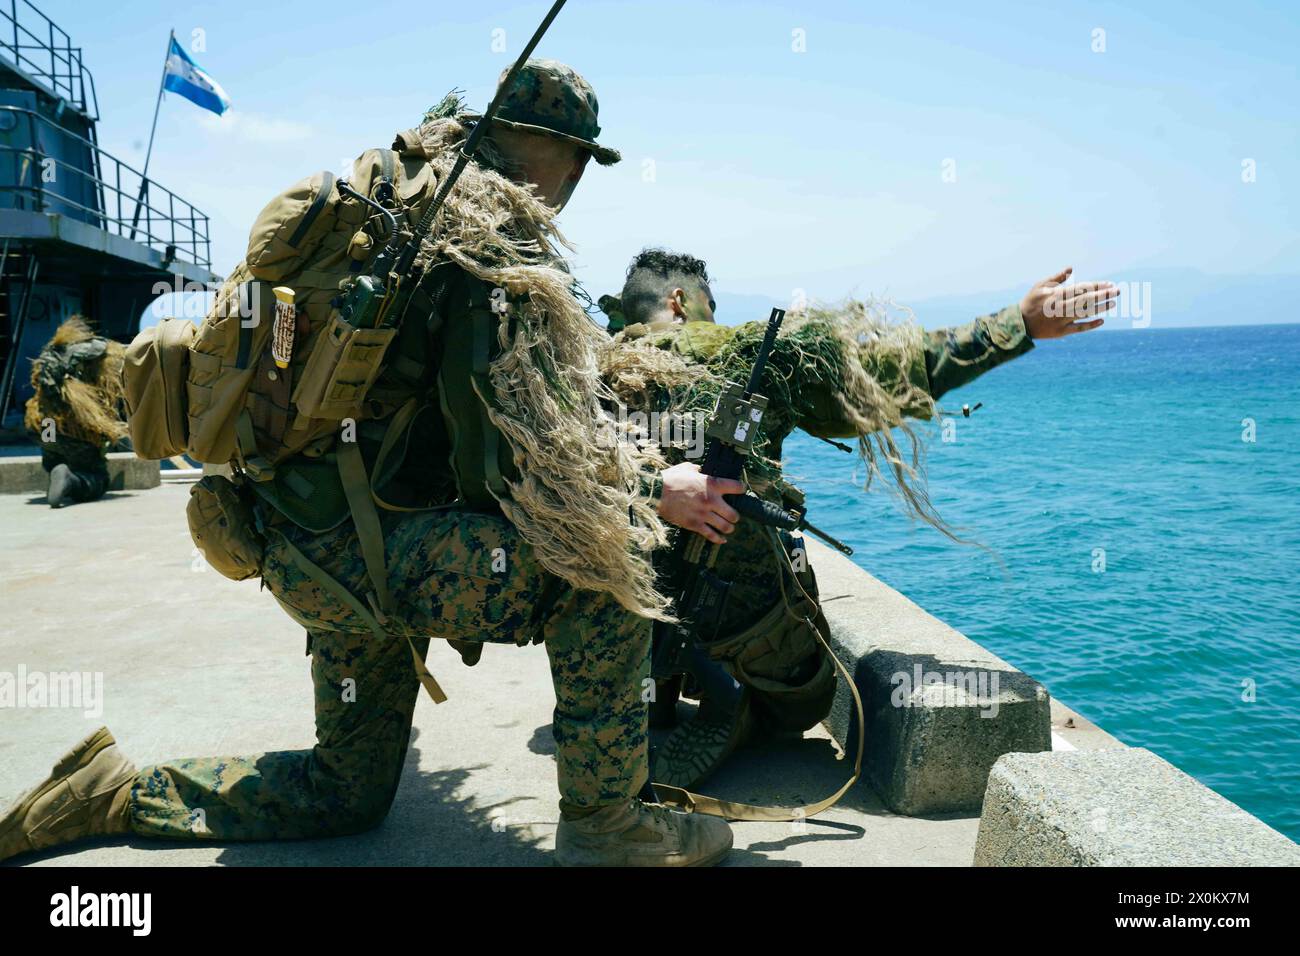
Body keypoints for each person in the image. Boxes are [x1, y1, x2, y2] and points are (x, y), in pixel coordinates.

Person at [1, 61, 740, 868]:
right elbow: (503, 461)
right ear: (552, 151)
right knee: (605, 569)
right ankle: (609, 827)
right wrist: (646, 488)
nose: (572, 184)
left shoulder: (403, 193)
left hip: (299, 539)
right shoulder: (482, 242)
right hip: (370, 551)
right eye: (578, 162)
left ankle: (112, 792)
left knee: (344, 791)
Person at [600, 248, 1118, 787]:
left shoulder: (590, 370)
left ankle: (653, 692)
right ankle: (737, 703)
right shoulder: (738, 353)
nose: (716, 317)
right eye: (711, 305)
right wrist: (1018, 325)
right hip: (733, 615)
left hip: (624, 610)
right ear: (681, 303)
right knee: (807, 697)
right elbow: (886, 375)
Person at [22, 316, 129, 508]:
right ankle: (72, 481)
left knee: (53, 455)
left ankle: (58, 468)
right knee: (97, 476)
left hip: (45, 425)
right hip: (73, 429)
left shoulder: (52, 353)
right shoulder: (99, 354)